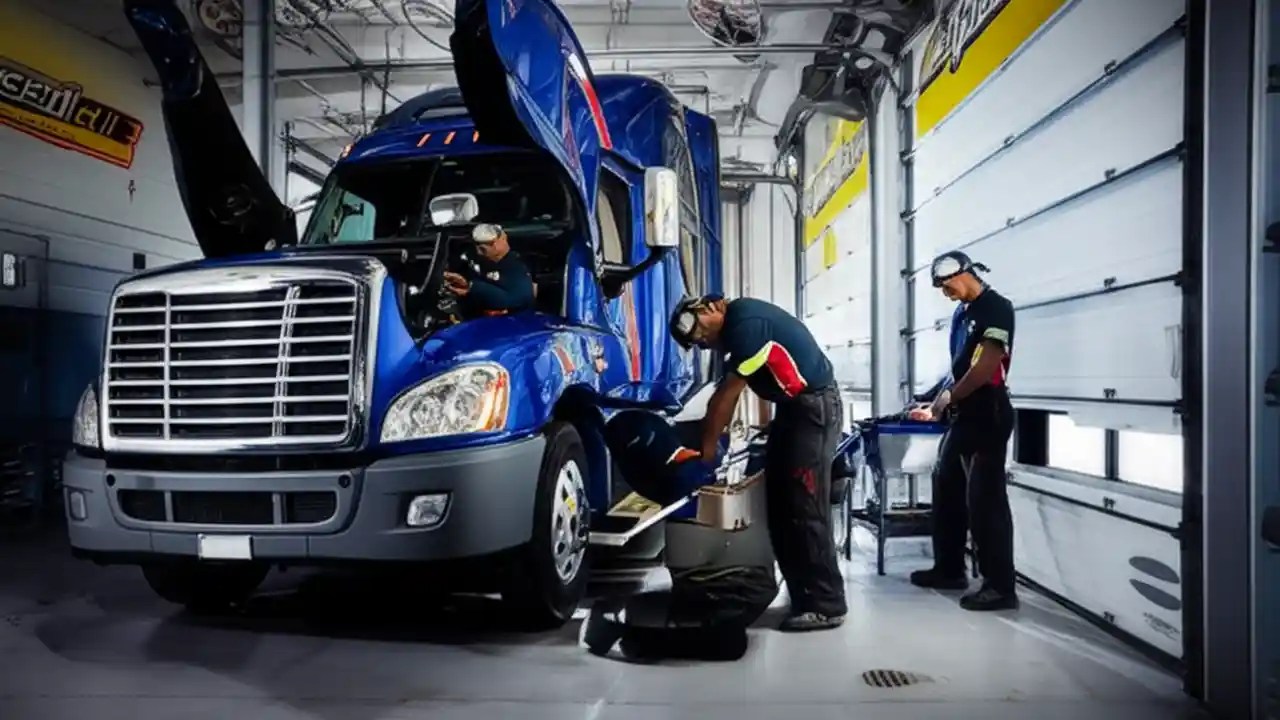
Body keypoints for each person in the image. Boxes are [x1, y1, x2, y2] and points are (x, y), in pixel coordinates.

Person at [670, 294, 847, 632]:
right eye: (695, 342)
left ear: (713, 307)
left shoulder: (745, 326)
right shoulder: (738, 331)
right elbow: (767, 378)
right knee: (780, 505)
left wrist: (706, 455)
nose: (702, 340)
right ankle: (803, 596)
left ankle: (827, 604)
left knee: (806, 507)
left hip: (814, 411)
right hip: (796, 411)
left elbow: (727, 397)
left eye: (698, 330)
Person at [907, 251, 1018, 611]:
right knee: (948, 490)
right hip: (964, 415)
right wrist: (933, 399)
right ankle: (950, 568)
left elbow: (986, 366)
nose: (945, 293)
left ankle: (1000, 587)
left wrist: (947, 399)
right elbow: (958, 368)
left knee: (985, 503)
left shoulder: (996, 308)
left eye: (946, 285)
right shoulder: (962, 313)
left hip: (988, 414)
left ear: (964, 273)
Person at [442, 223, 535, 315]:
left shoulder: (516, 267)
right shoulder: (474, 259)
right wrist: (465, 286)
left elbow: (518, 299)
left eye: (483, 249)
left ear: (499, 242)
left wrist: (472, 287)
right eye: (477, 247)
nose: (479, 252)